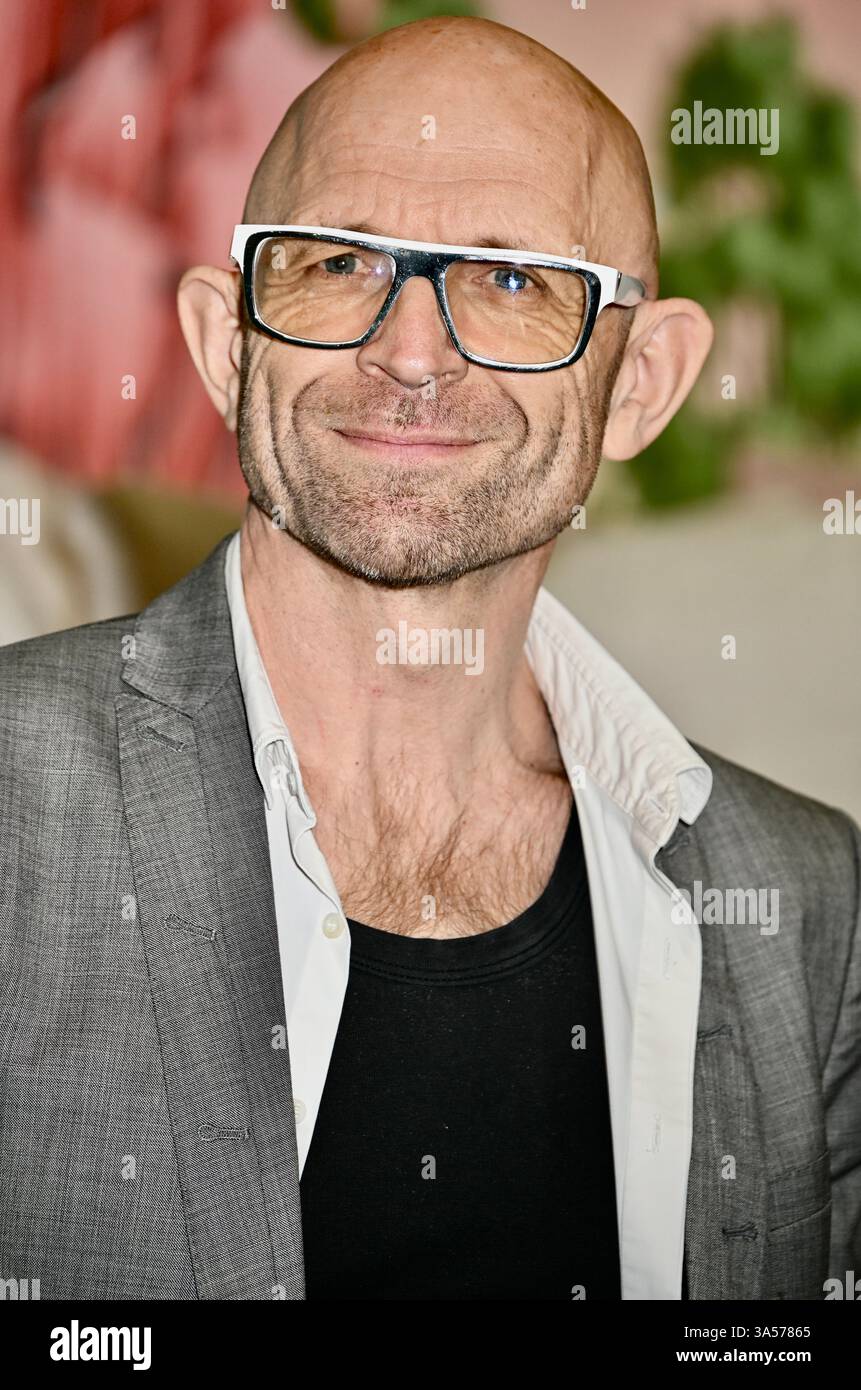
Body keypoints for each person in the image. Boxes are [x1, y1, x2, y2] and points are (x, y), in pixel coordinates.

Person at [1, 16, 858, 1302]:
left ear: (641, 384)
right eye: (338, 262)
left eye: (513, 282)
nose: (412, 354)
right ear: (227, 343)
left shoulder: (808, 904)